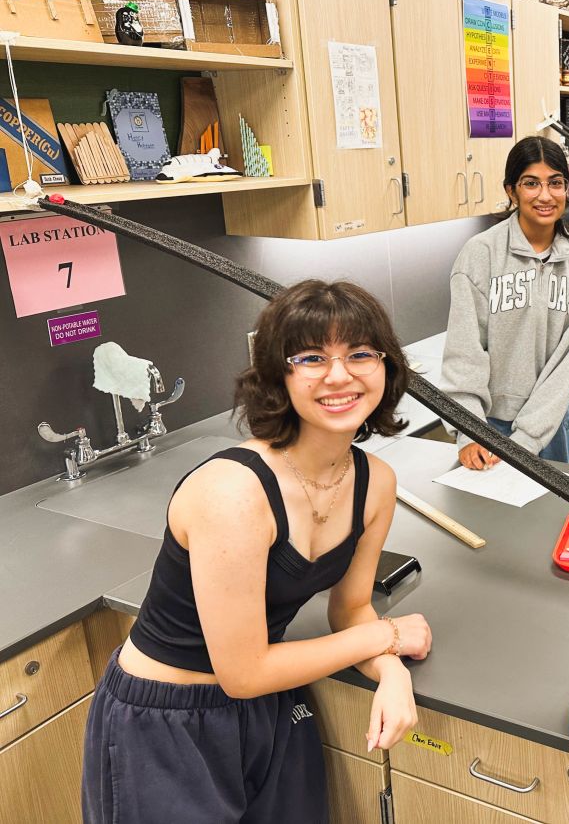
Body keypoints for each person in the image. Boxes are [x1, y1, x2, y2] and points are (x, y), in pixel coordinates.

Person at [83, 280, 432, 823]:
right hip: (167, 723)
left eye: (360, 353)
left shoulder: (375, 482)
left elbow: (350, 608)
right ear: (279, 377)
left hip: (269, 702)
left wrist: (390, 671)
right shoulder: (234, 490)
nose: (340, 375)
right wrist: (386, 635)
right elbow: (241, 671)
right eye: (313, 357)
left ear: (386, 367)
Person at [442, 136, 569, 469]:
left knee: (553, 519)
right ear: (511, 191)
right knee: (490, 522)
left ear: (566, 189)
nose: (545, 195)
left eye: (555, 183)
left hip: (552, 424)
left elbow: (567, 362)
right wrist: (470, 433)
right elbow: (464, 354)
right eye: (531, 183)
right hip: (488, 427)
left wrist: (527, 440)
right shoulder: (481, 255)